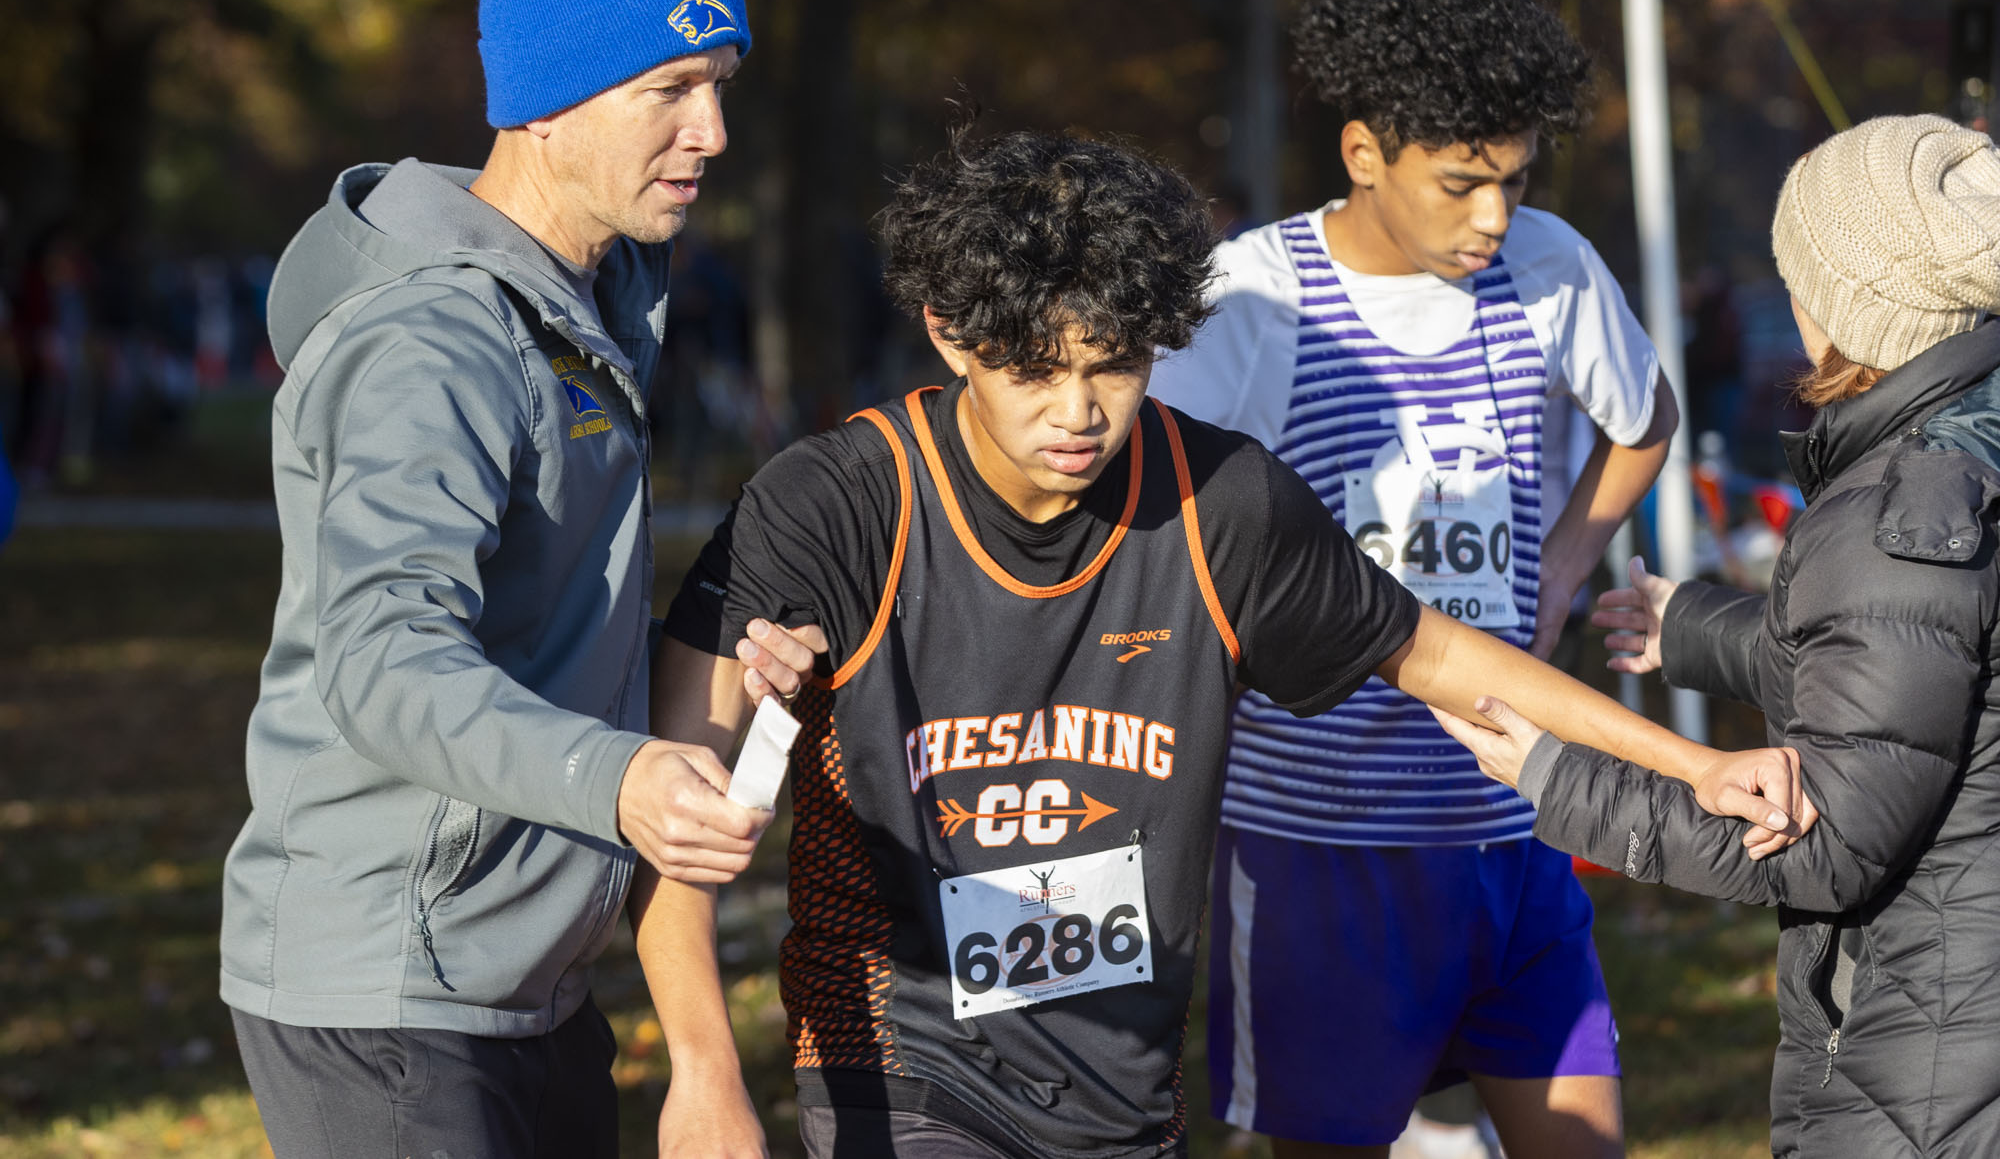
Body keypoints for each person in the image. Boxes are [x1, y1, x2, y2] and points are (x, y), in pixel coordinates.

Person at [641, 126, 1807, 1159]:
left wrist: (1694, 764)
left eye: (1114, 364)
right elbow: (673, 796)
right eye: (1036, 370)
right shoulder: (833, 503)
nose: (1078, 412)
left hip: (1122, 1089)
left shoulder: (1218, 499)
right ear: (951, 335)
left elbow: (1441, 657)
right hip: (900, 1059)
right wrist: (700, 1070)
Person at [218, 0, 823, 1158]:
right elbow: (383, 656)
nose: (711, 131)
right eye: (670, 89)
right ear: (545, 103)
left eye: (720, 86)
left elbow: (540, 622)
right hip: (390, 987)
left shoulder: (584, 302)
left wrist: (713, 676)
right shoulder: (433, 341)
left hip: (529, 976)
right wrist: (620, 776)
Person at [1146, 0, 1669, 1158]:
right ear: (1362, 154)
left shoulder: (1549, 265)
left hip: (1514, 818)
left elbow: (1643, 422)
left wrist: (1562, 563)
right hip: (1317, 841)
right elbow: (1156, 509)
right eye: (1460, 183)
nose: (1493, 217)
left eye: (1515, 181)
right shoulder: (1252, 296)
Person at [1438, 114, 2000, 1159]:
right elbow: (1918, 671)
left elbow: (1825, 839)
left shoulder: (1902, 513)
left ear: (1847, 302)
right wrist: (1692, 629)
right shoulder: (1971, 457)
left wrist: (1561, 778)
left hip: (1932, 1069)